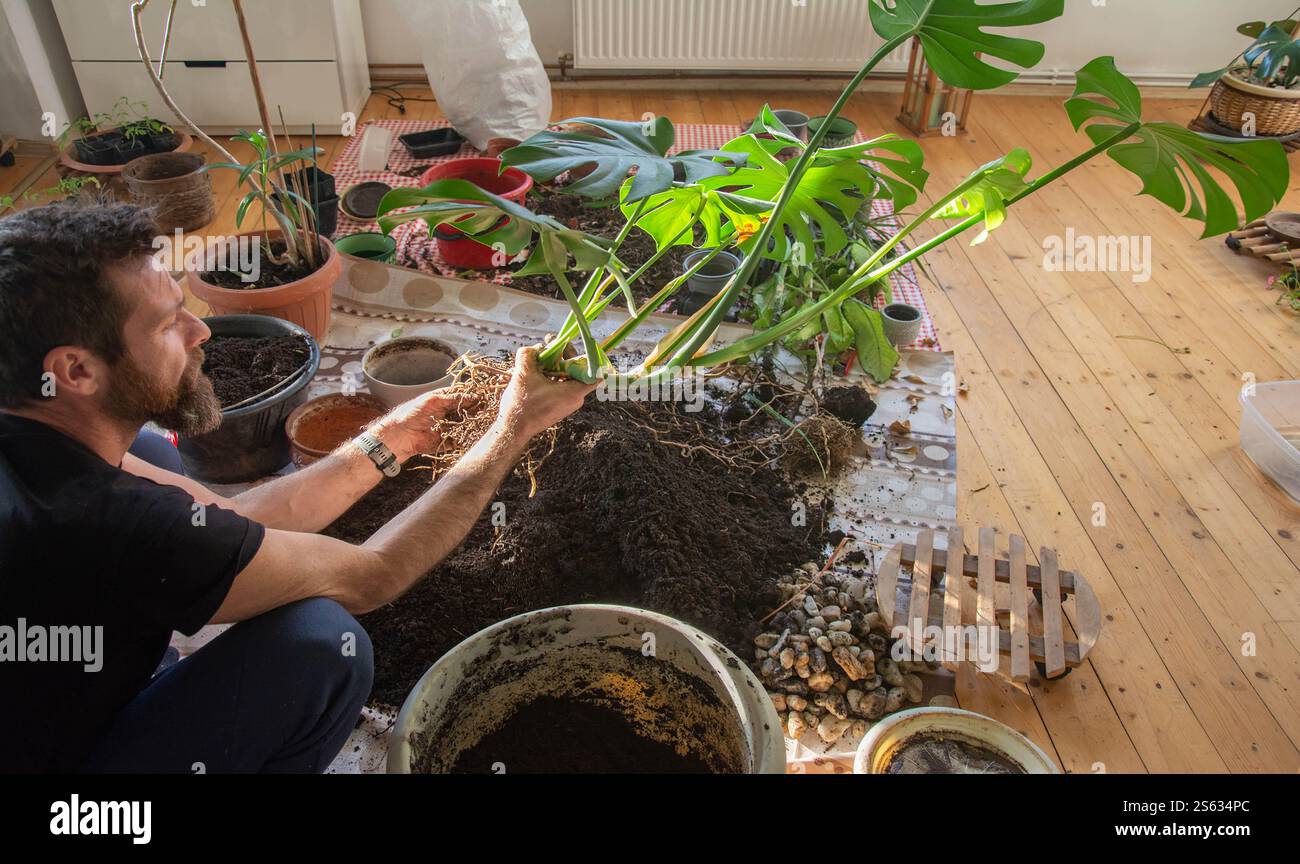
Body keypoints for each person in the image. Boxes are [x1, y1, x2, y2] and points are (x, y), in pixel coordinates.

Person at [0, 203, 594, 773]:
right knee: (321, 643)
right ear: (76, 370)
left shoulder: (35, 430)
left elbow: (230, 517)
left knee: (153, 454)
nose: (200, 330)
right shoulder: (112, 522)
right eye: (165, 325)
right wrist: (513, 427)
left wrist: (390, 440)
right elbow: (372, 577)